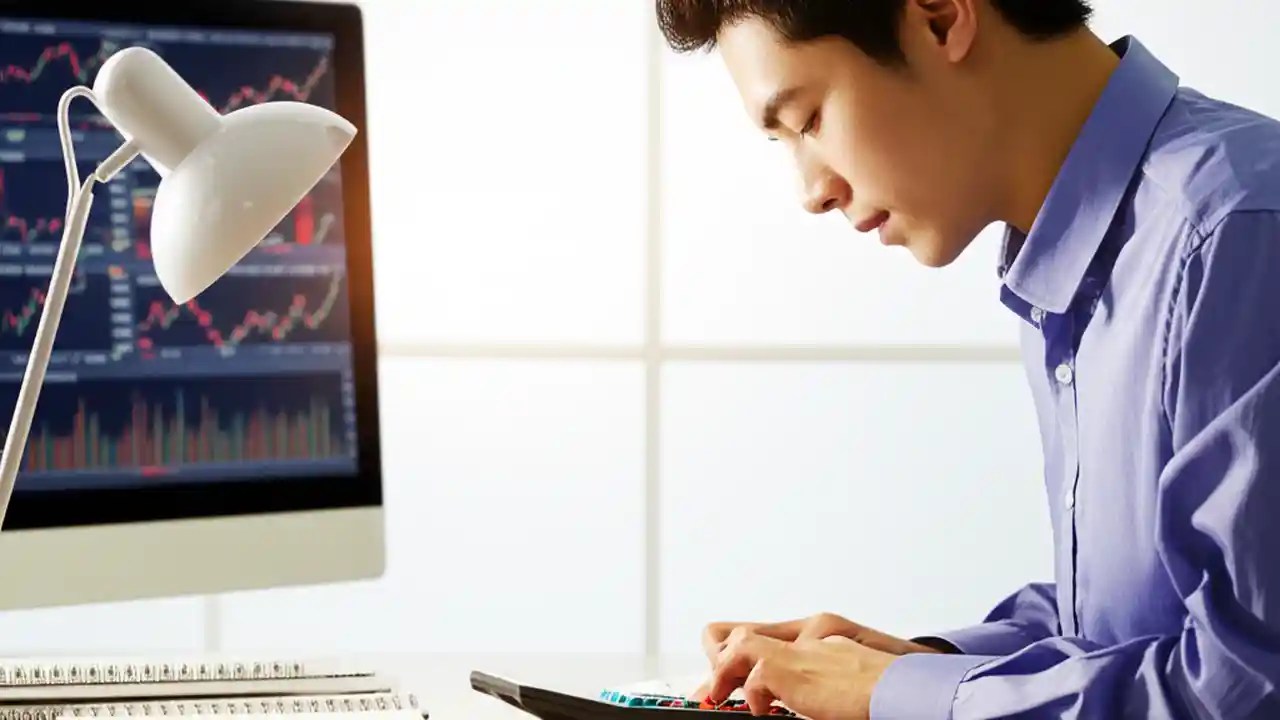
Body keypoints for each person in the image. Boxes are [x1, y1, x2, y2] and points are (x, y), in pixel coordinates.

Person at [655, 0, 1280, 718]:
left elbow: (1247, 686)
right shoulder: (1079, 258)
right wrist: (908, 666)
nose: (812, 192)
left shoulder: (1235, 233)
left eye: (808, 120)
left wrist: (895, 696)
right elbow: (1124, 624)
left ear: (941, 19)